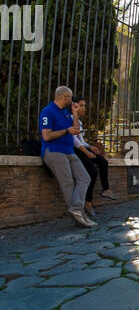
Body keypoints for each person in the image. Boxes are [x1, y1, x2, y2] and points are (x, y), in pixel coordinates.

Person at [39, 84, 93, 227]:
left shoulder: (66, 112)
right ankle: (79, 218)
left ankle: (76, 209)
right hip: (54, 151)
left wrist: (75, 114)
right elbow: (46, 136)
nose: (73, 100)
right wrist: (65, 130)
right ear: (65, 97)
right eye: (71, 97)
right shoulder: (47, 112)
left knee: (84, 177)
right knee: (68, 183)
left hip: (69, 150)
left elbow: (75, 129)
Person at [71, 97, 113, 218]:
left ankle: (106, 190)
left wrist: (90, 147)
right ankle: (88, 203)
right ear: (74, 106)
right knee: (92, 172)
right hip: (75, 150)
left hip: (82, 148)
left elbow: (81, 140)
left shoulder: (79, 122)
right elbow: (74, 140)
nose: (84, 108)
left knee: (103, 162)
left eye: (84, 105)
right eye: (81, 105)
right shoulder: (69, 119)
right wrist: (87, 151)